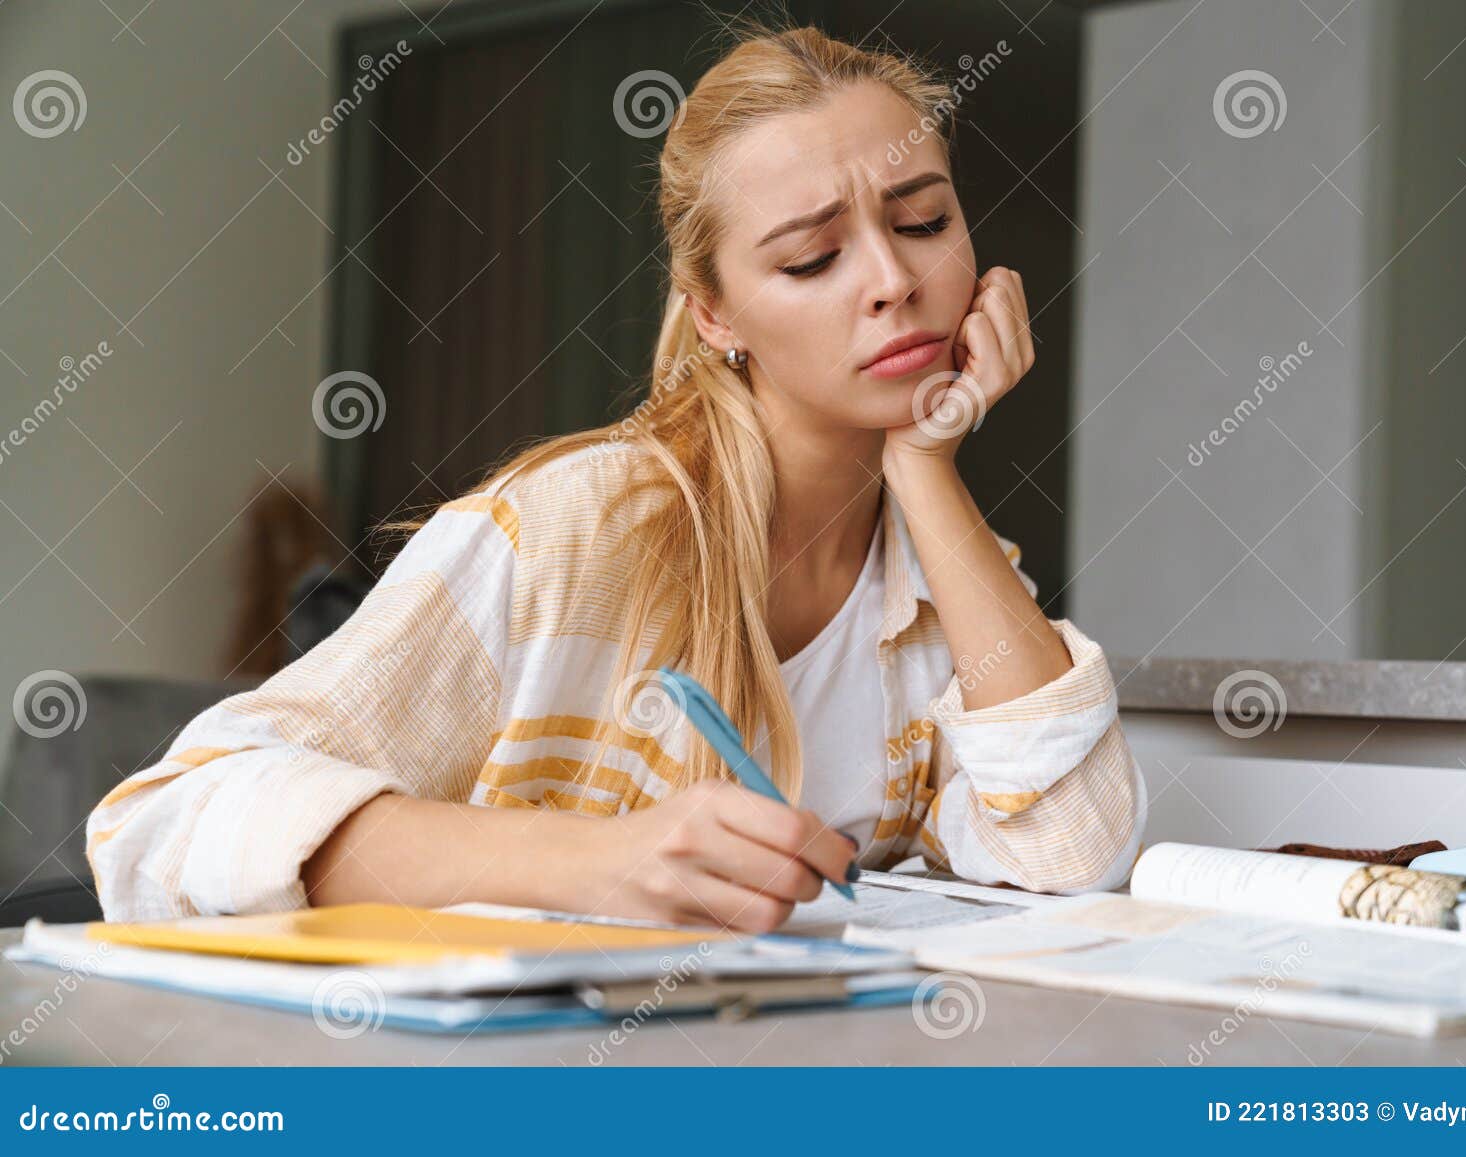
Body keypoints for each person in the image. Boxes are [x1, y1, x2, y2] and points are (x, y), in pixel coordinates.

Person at [86, 20, 1146, 932]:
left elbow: (1070, 854)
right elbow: (161, 826)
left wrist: (923, 467)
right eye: (811, 257)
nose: (894, 279)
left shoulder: (940, 583)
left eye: (923, 221)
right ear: (715, 312)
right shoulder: (568, 532)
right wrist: (591, 861)